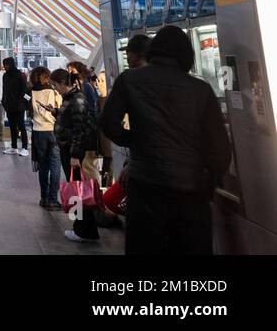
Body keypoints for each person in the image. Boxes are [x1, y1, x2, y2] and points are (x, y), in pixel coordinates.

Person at [99, 25, 230, 255]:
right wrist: (208, 181)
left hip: (145, 186)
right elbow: (219, 148)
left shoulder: (130, 80)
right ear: (187, 55)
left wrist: (133, 140)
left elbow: (107, 122)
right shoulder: (201, 90)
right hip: (191, 190)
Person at [53, 69, 100, 243]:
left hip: (75, 152)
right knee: (77, 190)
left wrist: (74, 154)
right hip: (70, 149)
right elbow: (71, 122)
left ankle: (82, 230)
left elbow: (80, 129)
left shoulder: (77, 99)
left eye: (55, 85)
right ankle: (82, 228)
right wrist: (56, 113)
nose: (55, 89)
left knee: (78, 191)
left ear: (62, 83)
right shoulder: (71, 99)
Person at [30, 66, 63, 208]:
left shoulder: (30, 91)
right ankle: (53, 199)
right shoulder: (54, 91)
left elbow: (26, 106)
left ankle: (43, 197)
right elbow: (60, 108)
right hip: (53, 131)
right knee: (55, 166)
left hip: (38, 131)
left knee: (43, 166)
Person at [1, 56, 29, 157]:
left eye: (7, 64)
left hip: (19, 107)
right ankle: (14, 147)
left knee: (22, 126)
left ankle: (25, 148)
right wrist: (3, 101)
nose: (5, 67)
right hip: (9, 106)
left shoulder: (20, 75)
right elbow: (5, 90)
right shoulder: (5, 76)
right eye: (4, 65)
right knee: (12, 126)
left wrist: (24, 104)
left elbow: (27, 91)